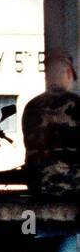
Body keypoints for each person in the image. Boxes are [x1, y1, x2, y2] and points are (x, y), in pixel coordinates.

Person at [23, 50, 80, 198]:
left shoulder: (31, 107)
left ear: (47, 77)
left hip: (40, 191)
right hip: (74, 191)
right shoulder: (78, 104)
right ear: (68, 73)